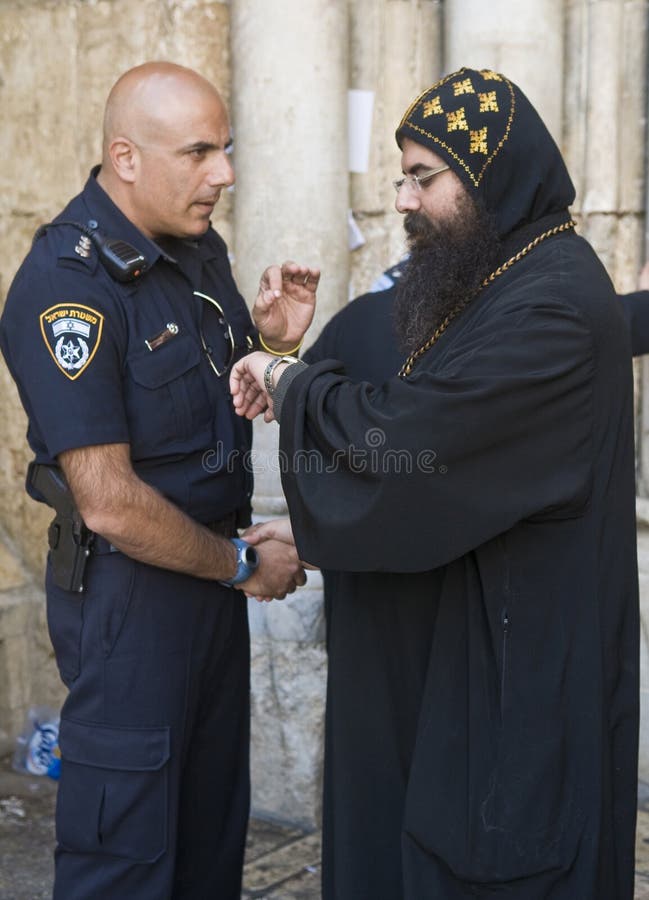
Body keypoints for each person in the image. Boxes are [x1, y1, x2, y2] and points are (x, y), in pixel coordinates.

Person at [231, 67, 640, 899]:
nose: (403, 201)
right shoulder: (503, 279)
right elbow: (455, 473)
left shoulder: (550, 304)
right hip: (468, 658)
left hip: (515, 682)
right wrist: (315, 528)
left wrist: (287, 379)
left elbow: (415, 440)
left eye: (423, 178)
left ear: (491, 174)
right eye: (400, 179)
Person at [0, 61, 320, 900]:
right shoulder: (66, 285)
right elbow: (109, 503)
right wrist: (242, 566)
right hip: (130, 600)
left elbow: (202, 401)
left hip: (205, 588)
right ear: (126, 157)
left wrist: (271, 345)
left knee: (209, 842)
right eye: (199, 153)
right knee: (127, 859)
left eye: (226, 149)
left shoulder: (194, 248)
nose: (225, 174)